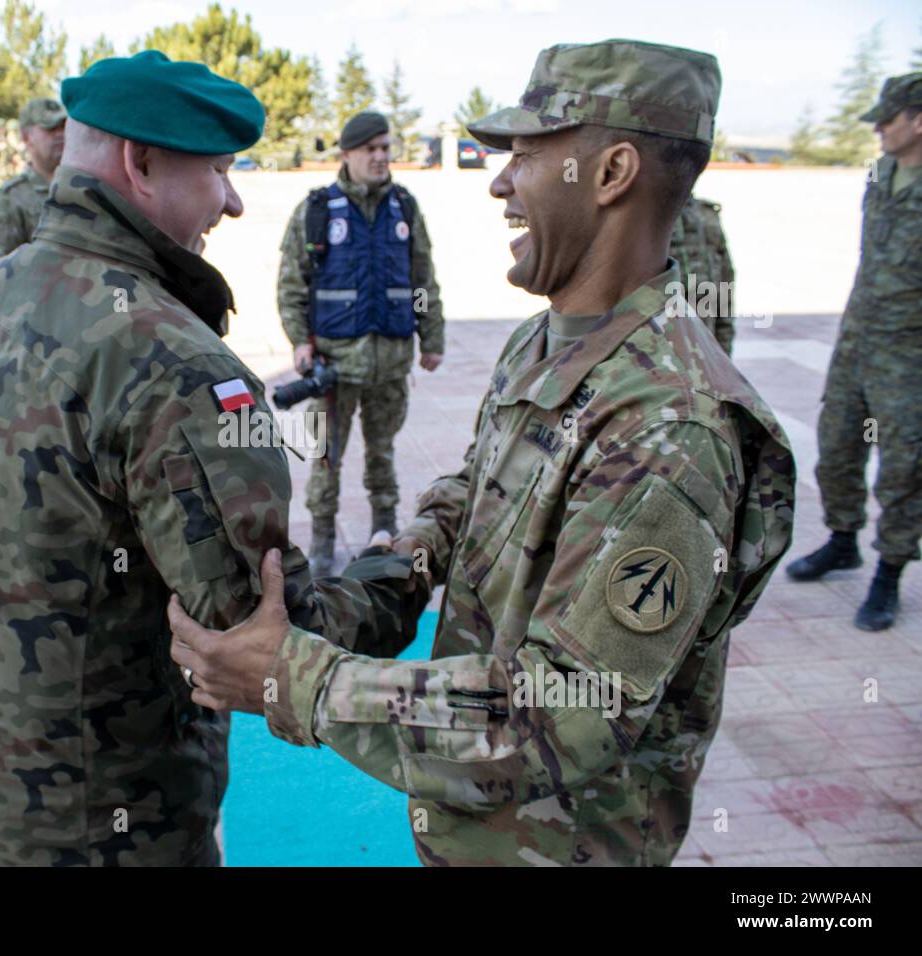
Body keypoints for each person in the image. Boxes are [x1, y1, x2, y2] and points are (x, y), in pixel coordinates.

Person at [169, 39, 796, 867]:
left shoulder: (671, 427)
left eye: (526, 157)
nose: (499, 183)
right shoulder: (548, 340)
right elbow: (483, 489)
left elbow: (559, 717)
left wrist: (296, 678)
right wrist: (405, 565)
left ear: (609, 175)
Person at [0, 51, 414, 867]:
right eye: (219, 170)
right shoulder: (173, 363)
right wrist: (404, 573)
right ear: (140, 163)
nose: (234, 200)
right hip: (110, 823)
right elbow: (260, 635)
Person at [277, 111, 445, 574]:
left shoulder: (404, 209)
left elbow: (422, 281)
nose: (380, 156)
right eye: (369, 149)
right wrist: (298, 341)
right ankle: (323, 546)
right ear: (347, 154)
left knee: (382, 454)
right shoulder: (316, 210)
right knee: (326, 458)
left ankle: (383, 533)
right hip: (334, 365)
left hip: (390, 364)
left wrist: (431, 338)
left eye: (385, 148)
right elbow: (292, 283)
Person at [786, 72, 922, 631]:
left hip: (910, 353)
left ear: (918, 119)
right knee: (837, 444)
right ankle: (843, 540)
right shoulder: (883, 172)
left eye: (887, 118)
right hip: (858, 338)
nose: (879, 128)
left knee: (904, 467)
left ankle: (889, 572)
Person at [0, 97, 66, 261]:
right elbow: (1, 272)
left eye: (63, 126)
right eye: (50, 128)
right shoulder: (13, 197)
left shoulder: (86, 186)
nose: (60, 134)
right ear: (26, 137)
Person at [671, 195, 735, 354]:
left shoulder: (706, 215)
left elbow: (725, 279)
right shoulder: (646, 215)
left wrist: (723, 354)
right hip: (663, 351)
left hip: (707, 342)